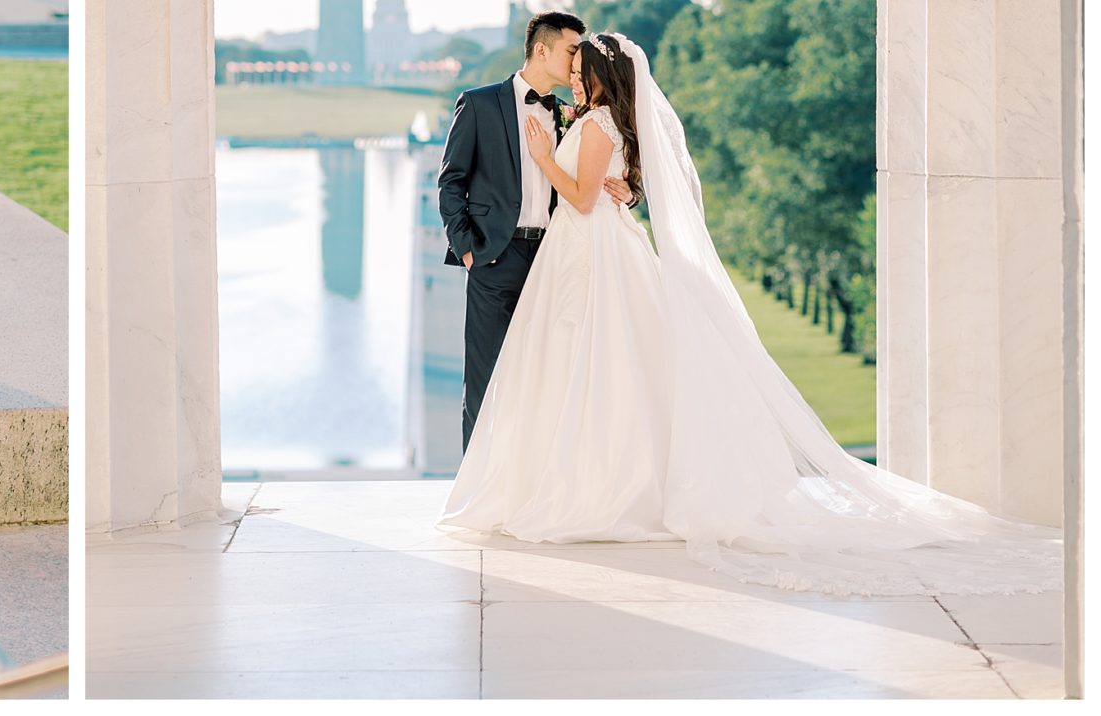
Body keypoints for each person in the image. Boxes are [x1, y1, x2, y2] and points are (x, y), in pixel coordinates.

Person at [439, 30, 1061, 596]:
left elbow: (578, 197)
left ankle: (598, 485)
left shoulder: (595, 121)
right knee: (573, 368)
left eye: (581, 71)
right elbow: (589, 183)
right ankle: (547, 476)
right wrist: (608, 186)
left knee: (601, 365)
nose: (573, 78)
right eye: (570, 67)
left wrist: (547, 158)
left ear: (600, 76)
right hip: (568, 255)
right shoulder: (587, 116)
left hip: (591, 254)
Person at [434, 11, 634, 449]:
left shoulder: (572, 114)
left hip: (554, 259)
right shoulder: (480, 103)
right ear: (541, 50)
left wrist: (629, 194)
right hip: (493, 258)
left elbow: (601, 170)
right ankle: (474, 484)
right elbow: (450, 182)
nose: (577, 60)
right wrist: (468, 249)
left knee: (545, 381)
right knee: (483, 384)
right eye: (570, 50)